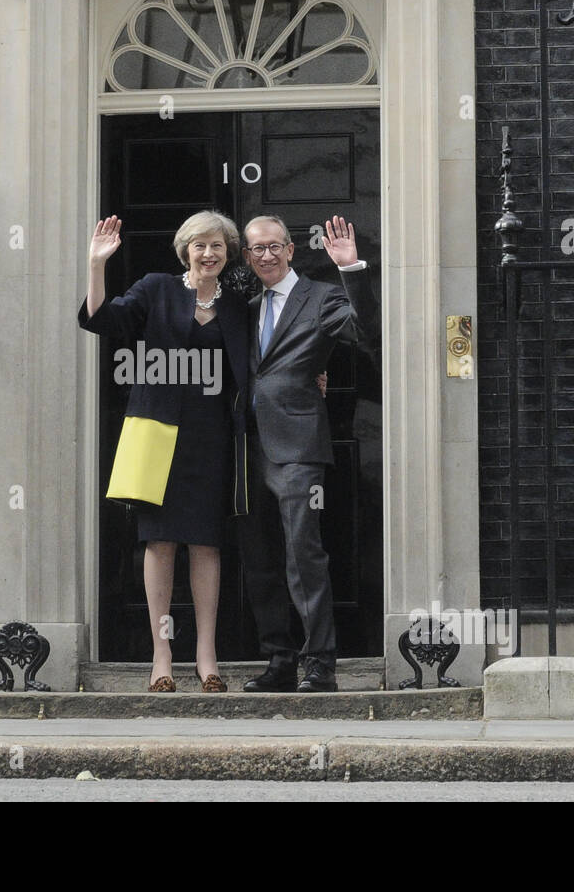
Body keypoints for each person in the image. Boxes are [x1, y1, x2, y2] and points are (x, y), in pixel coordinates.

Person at [79, 211, 251, 693]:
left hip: (212, 435)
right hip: (157, 431)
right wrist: (97, 266)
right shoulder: (156, 288)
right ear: (185, 250)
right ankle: (162, 655)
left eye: (217, 245)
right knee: (159, 542)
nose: (209, 253)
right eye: (200, 245)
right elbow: (102, 320)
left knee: (206, 542)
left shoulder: (238, 302)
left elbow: (263, 357)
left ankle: (207, 655)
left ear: (227, 252)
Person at [240, 214, 374, 693]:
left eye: (274, 246)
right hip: (246, 448)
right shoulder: (246, 304)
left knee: (304, 556)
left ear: (291, 249)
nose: (267, 255)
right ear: (248, 256)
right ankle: (279, 659)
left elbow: (363, 334)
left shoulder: (320, 296)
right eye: (256, 249)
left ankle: (319, 663)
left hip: (297, 448)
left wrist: (350, 267)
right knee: (260, 560)